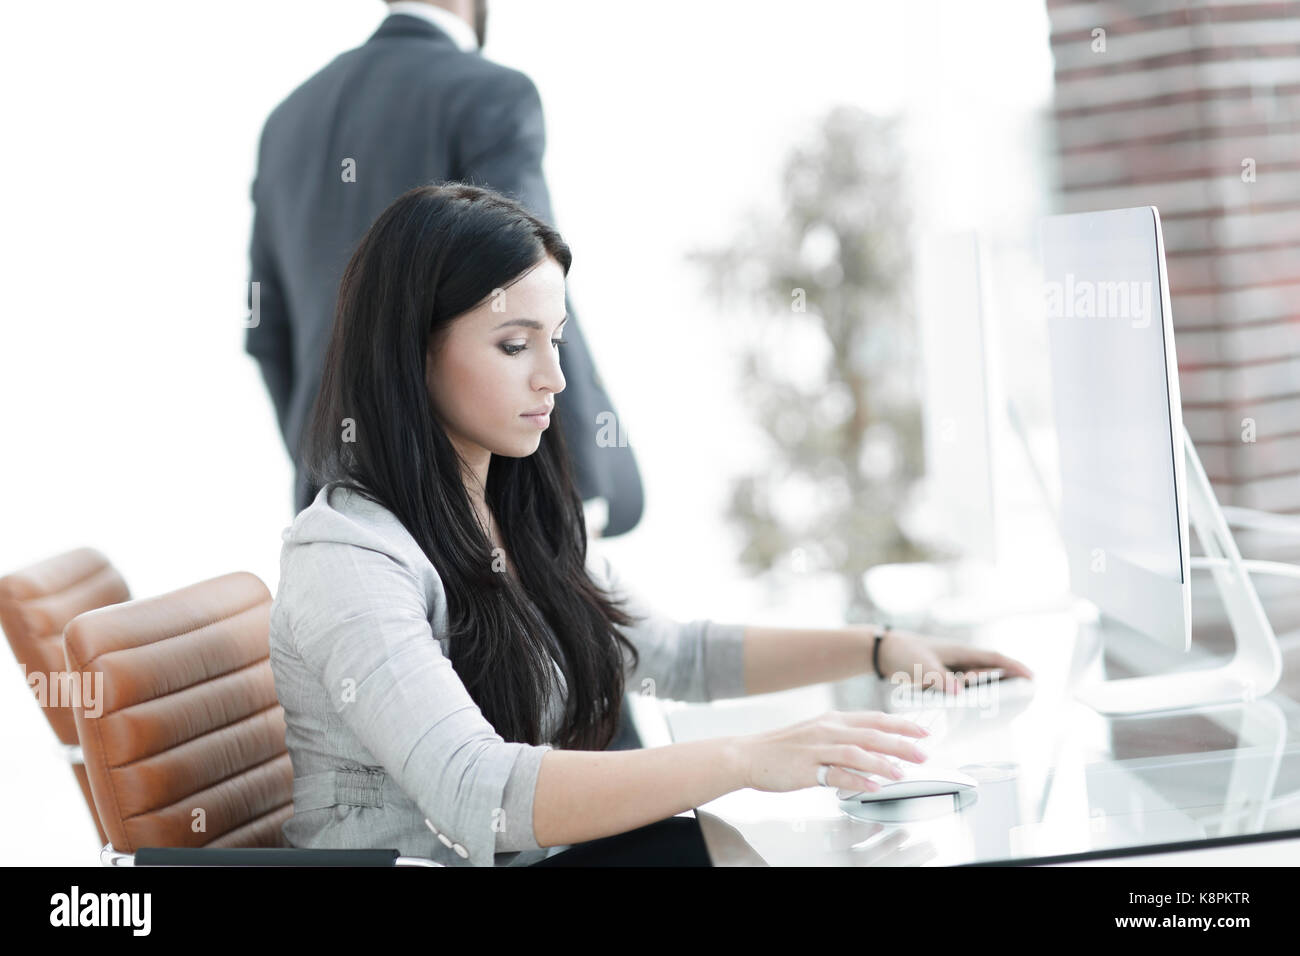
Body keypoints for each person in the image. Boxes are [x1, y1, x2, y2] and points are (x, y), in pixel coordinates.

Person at [267, 183, 1034, 867]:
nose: (555, 378)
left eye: (555, 340)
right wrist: (744, 758)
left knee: (781, 843)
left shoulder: (508, 512)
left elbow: (672, 653)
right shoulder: (348, 557)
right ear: (413, 354)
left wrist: (880, 648)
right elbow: (480, 789)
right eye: (514, 345)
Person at [244, 0, 644, 534]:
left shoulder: (286, 122)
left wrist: (323, 458)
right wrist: (580, 482)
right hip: (475, 496)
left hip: (332, 493)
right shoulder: (489, 93)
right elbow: (530, 290)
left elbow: (266, 335)